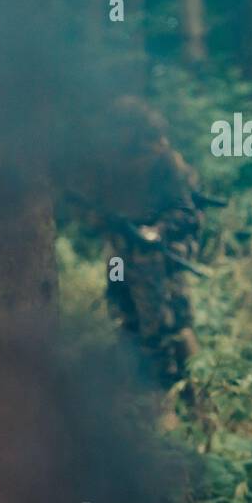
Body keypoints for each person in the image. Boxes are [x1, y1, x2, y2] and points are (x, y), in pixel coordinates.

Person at [74, 96, 204, 391]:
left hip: (157, 259)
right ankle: (143, 395)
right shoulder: (106, 165)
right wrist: (102, 218)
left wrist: (156, 230)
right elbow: (92, 211)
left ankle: (185, 396)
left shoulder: (163, 161)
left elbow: (186, 213)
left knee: (166, 329)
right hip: (121, 257)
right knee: (126, 324)